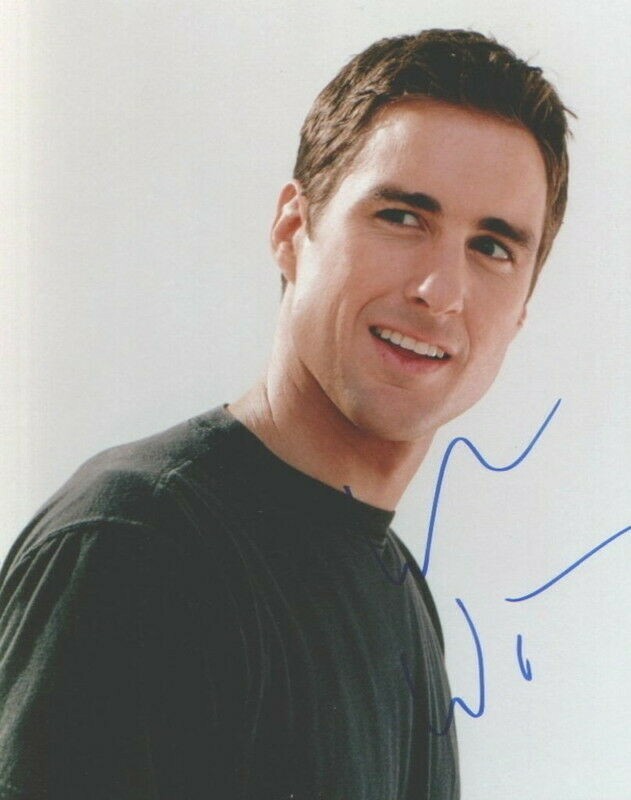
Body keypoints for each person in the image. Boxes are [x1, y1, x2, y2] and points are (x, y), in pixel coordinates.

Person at [0, 29, 570, 800]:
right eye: (402, 217)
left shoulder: (399, 593)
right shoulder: (136, 545)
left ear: (523, 309)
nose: (440, 290)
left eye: (493, 247)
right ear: (291, 232)